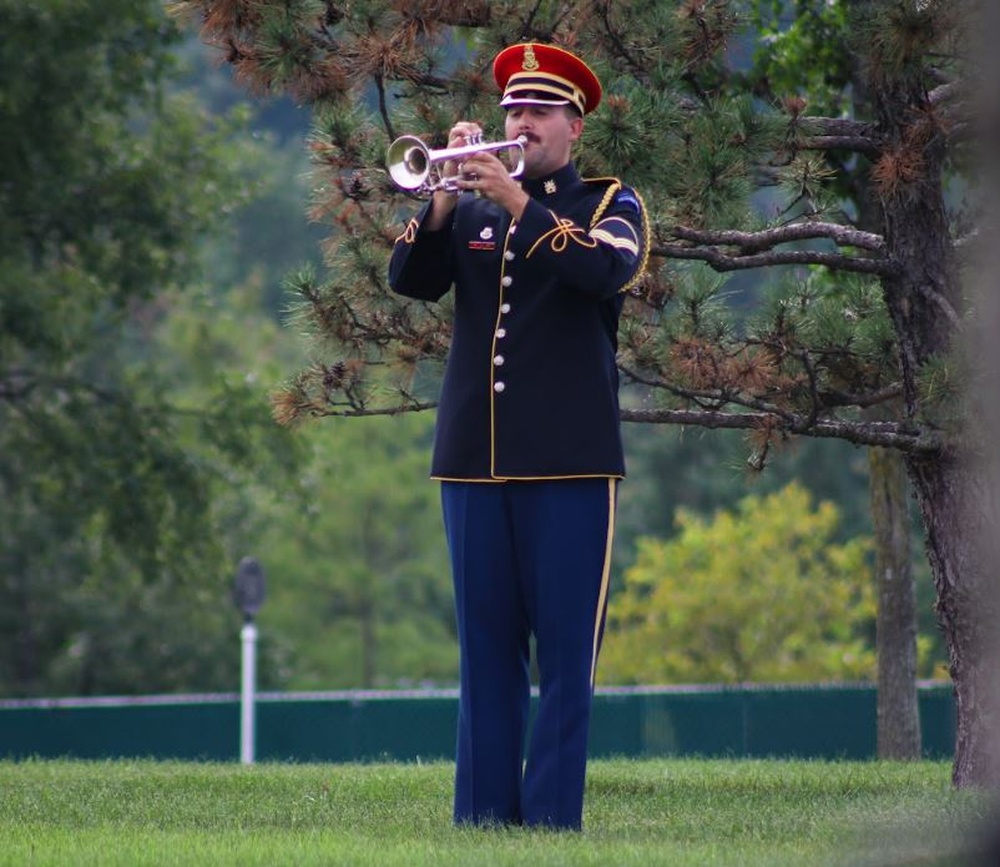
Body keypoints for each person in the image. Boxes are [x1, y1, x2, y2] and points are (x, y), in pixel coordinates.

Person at [387, 42, 648, 830]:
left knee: (566, 664)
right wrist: (438, 203)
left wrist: (520, 205)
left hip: (569, 466)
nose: (520, 123)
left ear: (574, 125)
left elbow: (606, 275)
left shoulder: (609, 204)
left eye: (536, 112)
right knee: (486, 660)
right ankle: (483, 823)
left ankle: (551, 825)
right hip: (472, 464)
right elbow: (409, 281)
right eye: (511, 112)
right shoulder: (463, 209)